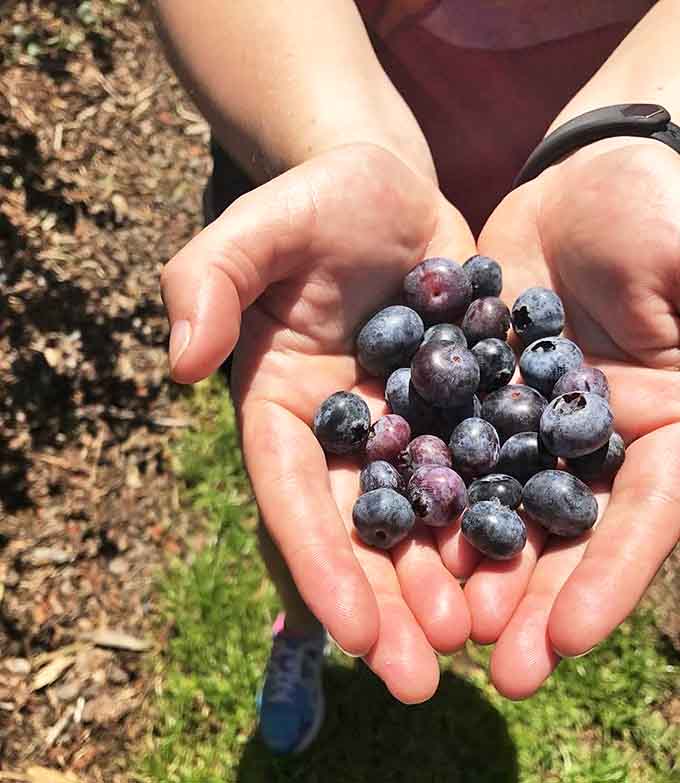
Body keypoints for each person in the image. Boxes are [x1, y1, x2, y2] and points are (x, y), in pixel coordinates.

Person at [151, 0, 680, 754]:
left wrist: (640, 134)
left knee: (325, 495)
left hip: (579, 211)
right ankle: (300, 624)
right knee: (295, 498)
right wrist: (343, 141)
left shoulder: (515, 378)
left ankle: (305, 622)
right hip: (325, 186)